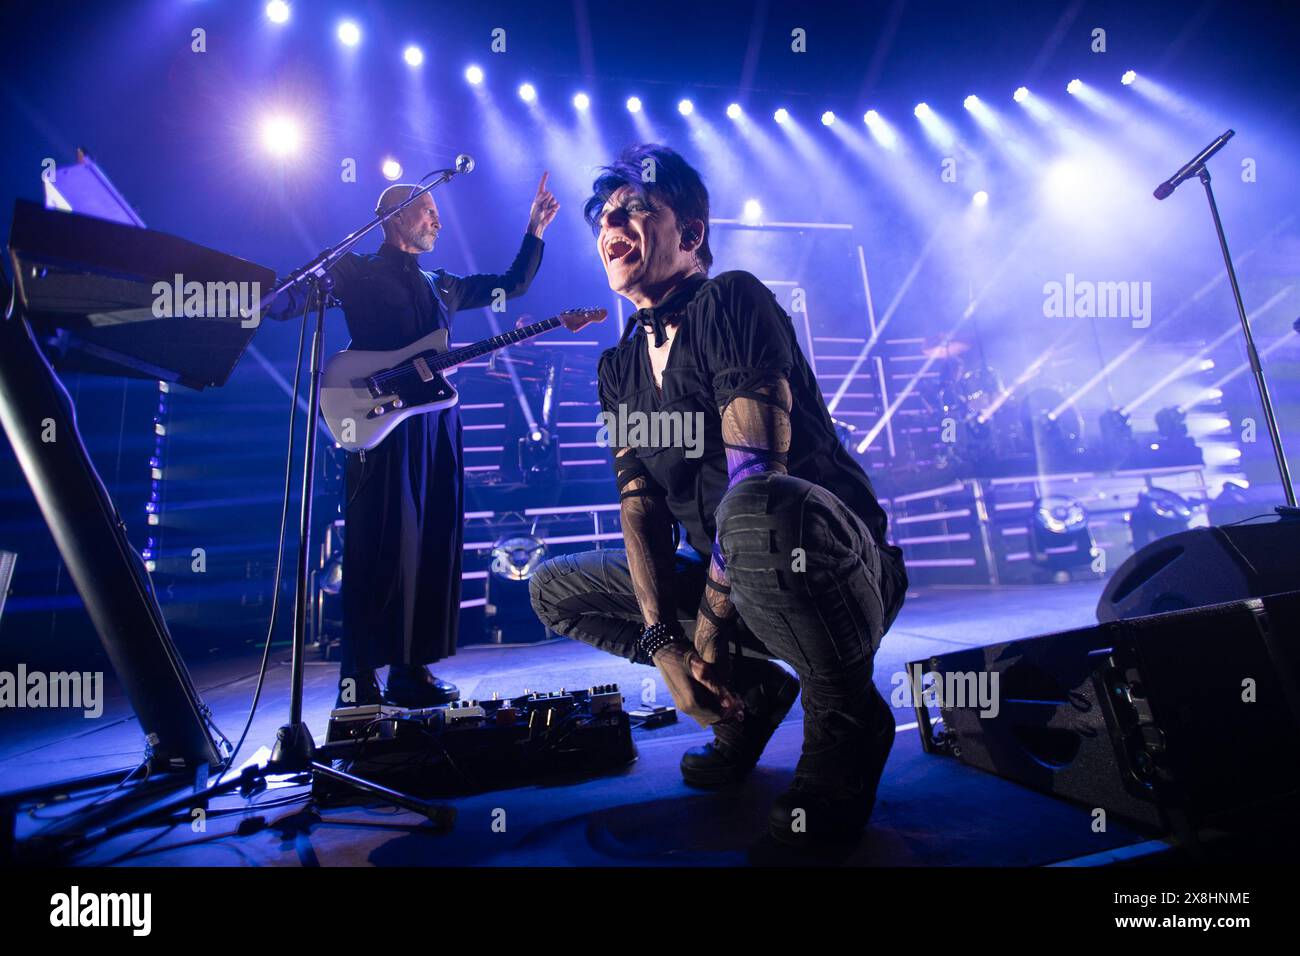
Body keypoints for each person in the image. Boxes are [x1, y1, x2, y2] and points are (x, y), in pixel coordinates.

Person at [528, 145, 906, 845]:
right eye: (603, 215)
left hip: (831, 571)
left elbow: (753, 479)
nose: (611, 221)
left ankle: (848, 715)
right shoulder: (617, 368)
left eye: (634, 207)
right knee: (555, 589)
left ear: (691, 234)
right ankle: (753, 698)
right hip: (729, 586)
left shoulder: (732, 299)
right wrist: (665, 644)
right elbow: (639, 504)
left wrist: (705, 631)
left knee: (759, 509)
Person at [273, 174, 558, 708]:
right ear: (396, 217)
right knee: (376, 542)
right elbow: (287, 301)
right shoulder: (355, 272)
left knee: (430, 542)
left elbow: (511, 283)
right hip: (378, 425)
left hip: (435, 426)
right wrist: (266, 297)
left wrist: (535, 229)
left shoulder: (441, 284)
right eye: (428, 210)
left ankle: (411, 670)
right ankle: (357, 678)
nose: (438, 220)